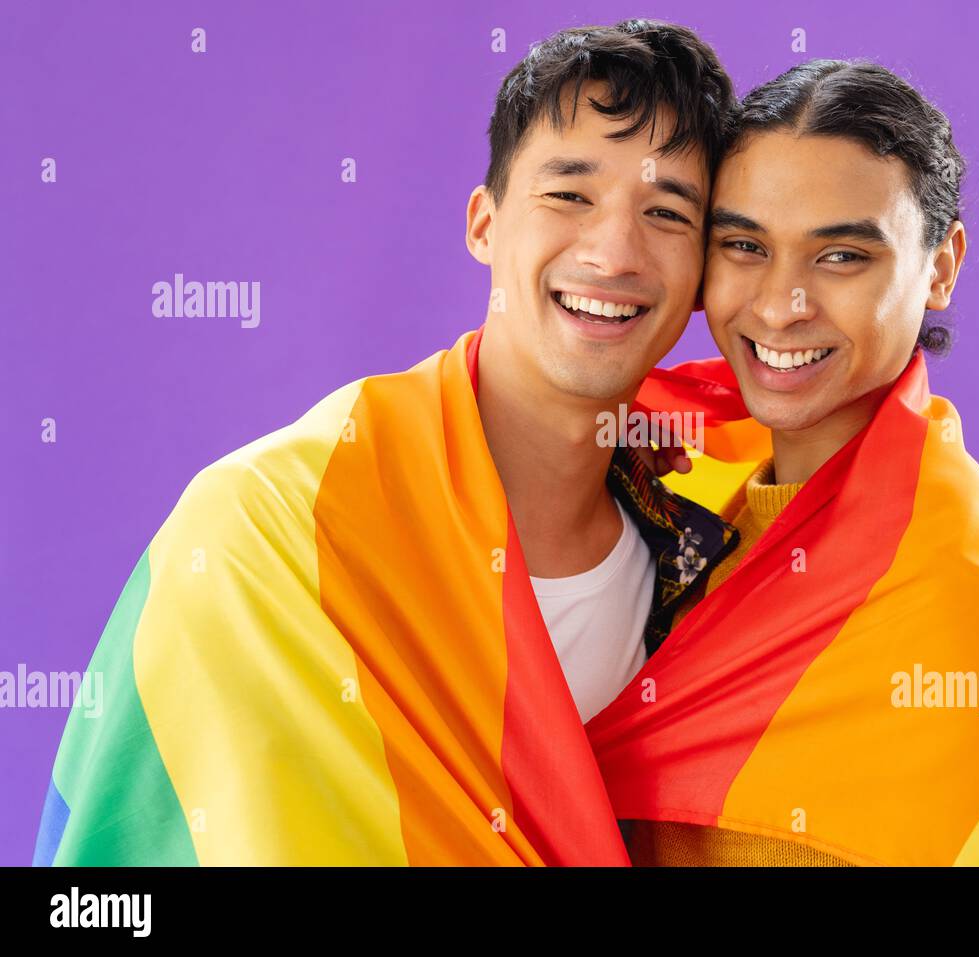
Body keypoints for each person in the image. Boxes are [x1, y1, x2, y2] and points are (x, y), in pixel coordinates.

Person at [33, 19, 738, 866]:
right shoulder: (268, 530)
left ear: (703, 270)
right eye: (569, 194)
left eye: (666, 212)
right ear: (483, 224)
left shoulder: (713, 564)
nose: (614, 250)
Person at [589, 59, 979, 866]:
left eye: (842, 257)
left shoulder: (960, 583)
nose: (781, 305)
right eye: (745, 244)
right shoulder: (668, 480)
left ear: (941, 266)